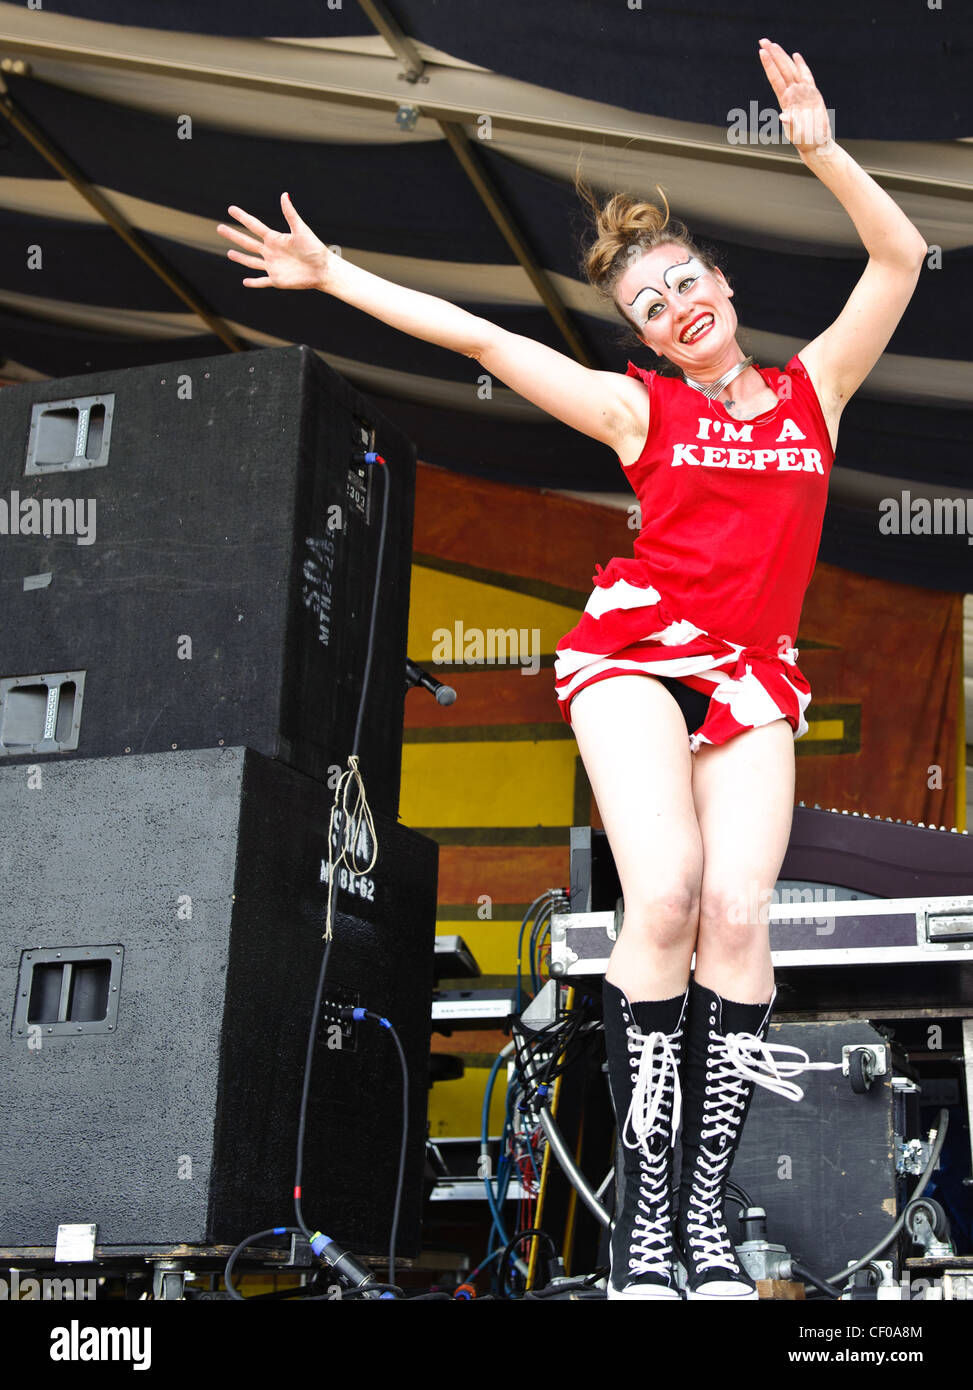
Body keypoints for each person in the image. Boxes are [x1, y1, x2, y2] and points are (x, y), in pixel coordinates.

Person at [217, 38, 927, 1300]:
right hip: (637, 656)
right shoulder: (640, 409)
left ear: (719, 278)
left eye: (685, 281)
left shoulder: (822, 387)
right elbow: (480, 339)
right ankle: (642, 1228)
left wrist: (817, 148)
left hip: (753, 676)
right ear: (644, 336)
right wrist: (333, 276)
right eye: (650, 306)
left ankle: (702, 1222)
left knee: (738, 917)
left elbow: (899, 259)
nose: (677, 307)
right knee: (660, 897)